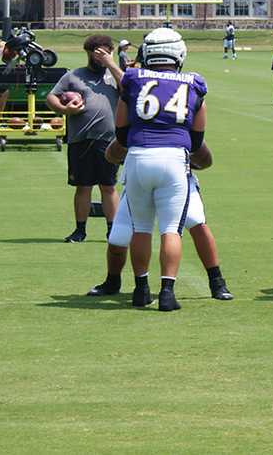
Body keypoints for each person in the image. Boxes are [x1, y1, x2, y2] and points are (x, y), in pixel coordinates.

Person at [110, 27, 209, 311]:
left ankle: (141, 290)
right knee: (170, 230)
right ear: (179, 52)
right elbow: (197, 138)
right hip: (174, 157)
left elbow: (121, 131)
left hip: (139, 156)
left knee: (140, 228)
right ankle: (167, 293)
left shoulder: (132, 78)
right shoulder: (194, 83)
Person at [92, 156, 234, 302]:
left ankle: (216, 280)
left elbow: (204, 157)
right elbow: (113, 152)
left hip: (176, 182)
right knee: (118, 238)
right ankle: (113, 281)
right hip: (141, 182)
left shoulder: (184, 132)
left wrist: (182, 162)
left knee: (196, 222)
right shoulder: (132, 132)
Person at [47, 35, 121, 243]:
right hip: (80, 139)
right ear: (88, 53)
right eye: (96, 54)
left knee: (108, 186)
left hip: (108, 140)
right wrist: (64, 109)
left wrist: (111, 63)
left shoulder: (115, 75)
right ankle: (80, 230)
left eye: (104, 53)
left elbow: (128, 87)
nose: (100, 58)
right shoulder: (74, 76)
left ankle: (112, 230)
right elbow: (52, 96)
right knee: (83, 186)